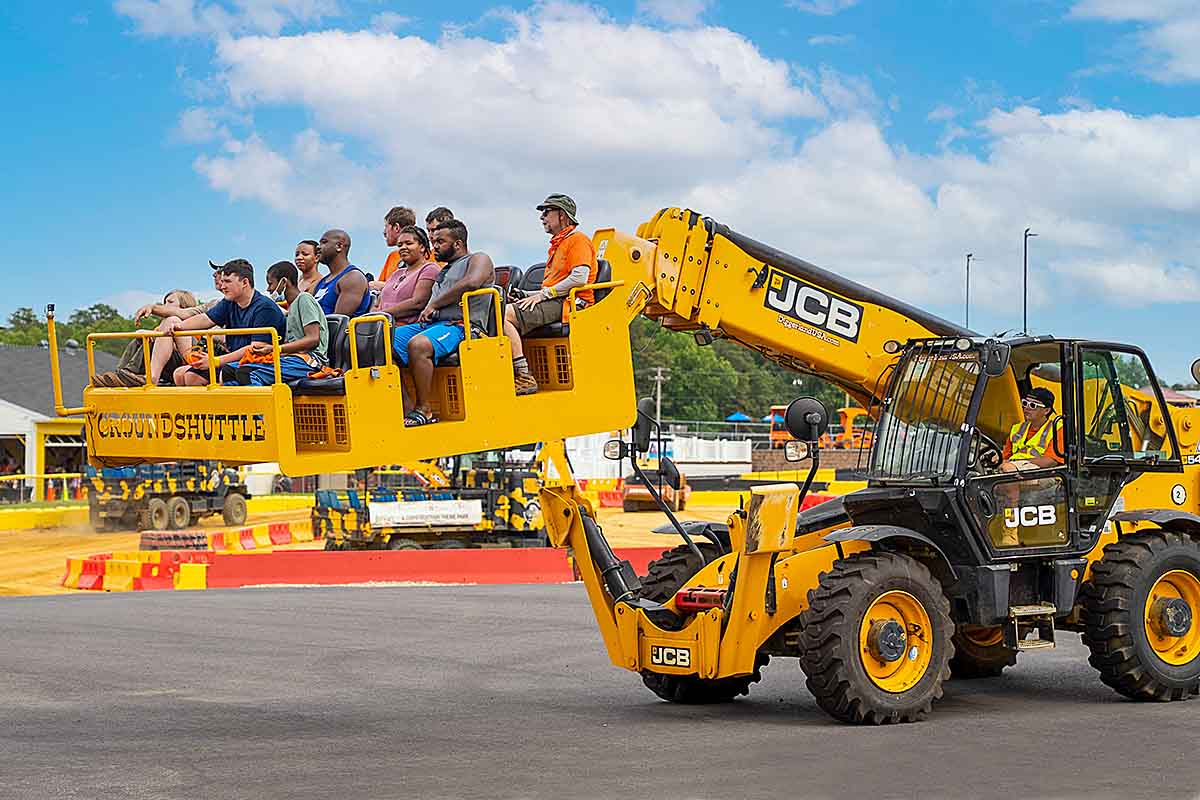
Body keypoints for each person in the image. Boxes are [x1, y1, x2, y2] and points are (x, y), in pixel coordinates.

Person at [392, 219, 495, 426]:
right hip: (434, 326)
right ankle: (406, 407)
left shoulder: (478, 259)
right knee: (381, 340)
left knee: (418, 345)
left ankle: (424, 410)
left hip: (462, 326)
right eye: (433, 241)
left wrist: (434, 304)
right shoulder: (445, 270)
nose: (434, 246)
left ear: (457, 244)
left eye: (440, 241)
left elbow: (473, 281)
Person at [502, 193, 598, 395]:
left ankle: (523, 376)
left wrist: (544, 295)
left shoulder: (577, 240)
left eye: (547, 212)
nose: (542, 217)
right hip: (557, 299)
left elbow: (579, 278)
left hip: (570, 304)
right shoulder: (559, 244)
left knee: (503, 317)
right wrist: (525, 294)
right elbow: (552, 286)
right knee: (496, 309)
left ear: (562, 215)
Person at [167, 259, 287, 386]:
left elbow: (256, 349)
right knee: (179, 374)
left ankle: (212, 406)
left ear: (245, 282)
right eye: (222, 281)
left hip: (259, 364)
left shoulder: (264, 307)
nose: (223, 286)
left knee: (192, 377)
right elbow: (206, 319)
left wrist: (215, 361)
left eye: (227, 282)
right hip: (236, 361)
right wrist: (179, 326)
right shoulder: (230, 302)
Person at [234, 261, 329, 386]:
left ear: (284, 282)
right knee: (230, 370)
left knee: (247, 374)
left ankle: (263, 406)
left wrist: (276, 349)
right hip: (291, 358)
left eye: (271, 284)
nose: (269, 289)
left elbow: (313, 339)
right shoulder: (290, 308)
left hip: (309, 360)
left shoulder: (304, 299)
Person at [93, 289, 201, 387]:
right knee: (142, 340)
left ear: (184, 307)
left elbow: (184, 348)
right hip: (164, 367)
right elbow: (159, 350)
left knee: (151, 336)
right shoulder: (161, 326)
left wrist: (152, 336)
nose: (165, 306)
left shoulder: (191, 323)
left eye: (170, 302)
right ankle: (121, 373)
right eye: (164, 303)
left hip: (184, 364)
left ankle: (129, 374)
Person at [375, 226, 440, 324]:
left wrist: (382, 315)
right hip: (380, 325)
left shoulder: (429, 269)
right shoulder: (396, 274)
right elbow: (378, 304)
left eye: (409, 243)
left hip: (405, 327)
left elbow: (418, 303)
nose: (403, 248)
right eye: (400, 245)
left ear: (422, 247)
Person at [999, 388, 1064, 472]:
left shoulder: (1057, 429)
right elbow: (1006, 457)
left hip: (1044, 473)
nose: (1027, 408)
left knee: (1007, 469)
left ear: (1046, 410)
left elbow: (1050, 462)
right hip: (1017, 469)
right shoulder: (1017, 428)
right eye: (1025, 403)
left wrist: (1016, 463)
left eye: (1033, 405)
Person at [313, 229, 371, 316]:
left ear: (339, 246)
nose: (318, 247)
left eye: (324, 242)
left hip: (326, 329)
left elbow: (338, 323)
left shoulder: (353, 278)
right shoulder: (322, 282)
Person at [372, 207, 417, 290]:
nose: (384, 232)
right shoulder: (392, 256)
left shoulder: (426, 256)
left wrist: (384, 286)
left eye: (386, 226)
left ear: (396, 227)